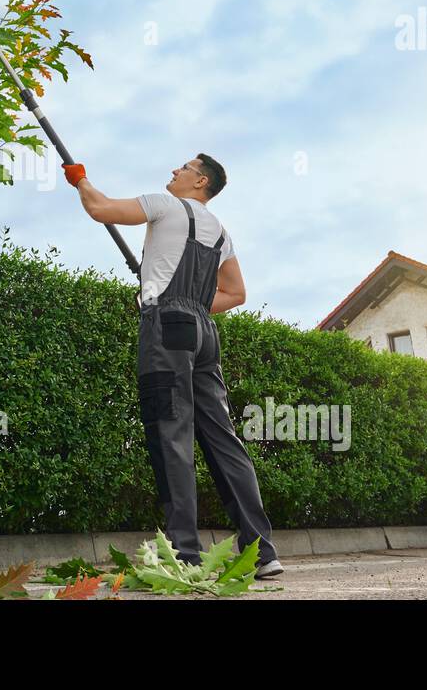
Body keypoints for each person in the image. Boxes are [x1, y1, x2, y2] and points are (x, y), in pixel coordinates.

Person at [63, 154, 283, 578]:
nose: (173, 172)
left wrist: (81, 180)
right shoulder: (221, 232)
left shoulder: (161, 206)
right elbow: (236, 294)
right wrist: (192, 305)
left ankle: (186, 554)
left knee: (171, 433)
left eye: (182, 168)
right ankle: (261, 551)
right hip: (203, 333)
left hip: (167, 327)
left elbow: (100, 209)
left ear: (200, 181)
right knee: (223, 440)